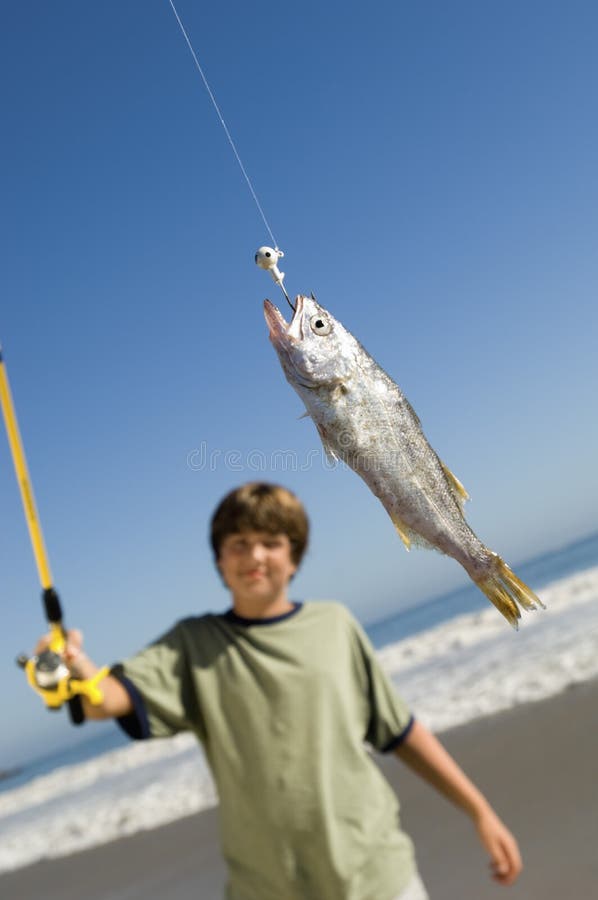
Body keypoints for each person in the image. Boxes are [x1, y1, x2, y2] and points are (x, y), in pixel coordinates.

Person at [35, 482, 521, 900]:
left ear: (295, 556)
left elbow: (400, 731)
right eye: (239, 543)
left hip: (380, 878)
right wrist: (67, 670)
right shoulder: (193, 643)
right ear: (219, 559)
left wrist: (480, 811)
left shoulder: (335, 625)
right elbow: (105, 699)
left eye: (270, 541)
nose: (255, 555)